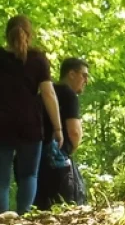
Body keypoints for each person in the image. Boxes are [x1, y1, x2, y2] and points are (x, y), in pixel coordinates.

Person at [0, 15, 64, 215]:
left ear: (6, 35)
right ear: (30, 34)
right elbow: (48, 93)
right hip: (30, 125)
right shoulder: (38, 59)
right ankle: (24, 218)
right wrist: (58, 127)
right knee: (29, 176)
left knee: (1, 180)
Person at [35, 57, 89, 209]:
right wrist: (68, 150)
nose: (86, 80)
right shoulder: (68, 94)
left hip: (33, 159)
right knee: (62, 208)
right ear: (71, 74)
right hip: (57, 161)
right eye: (84, 75)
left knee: (39, 208)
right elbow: (74, 132)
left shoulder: (43, 95)